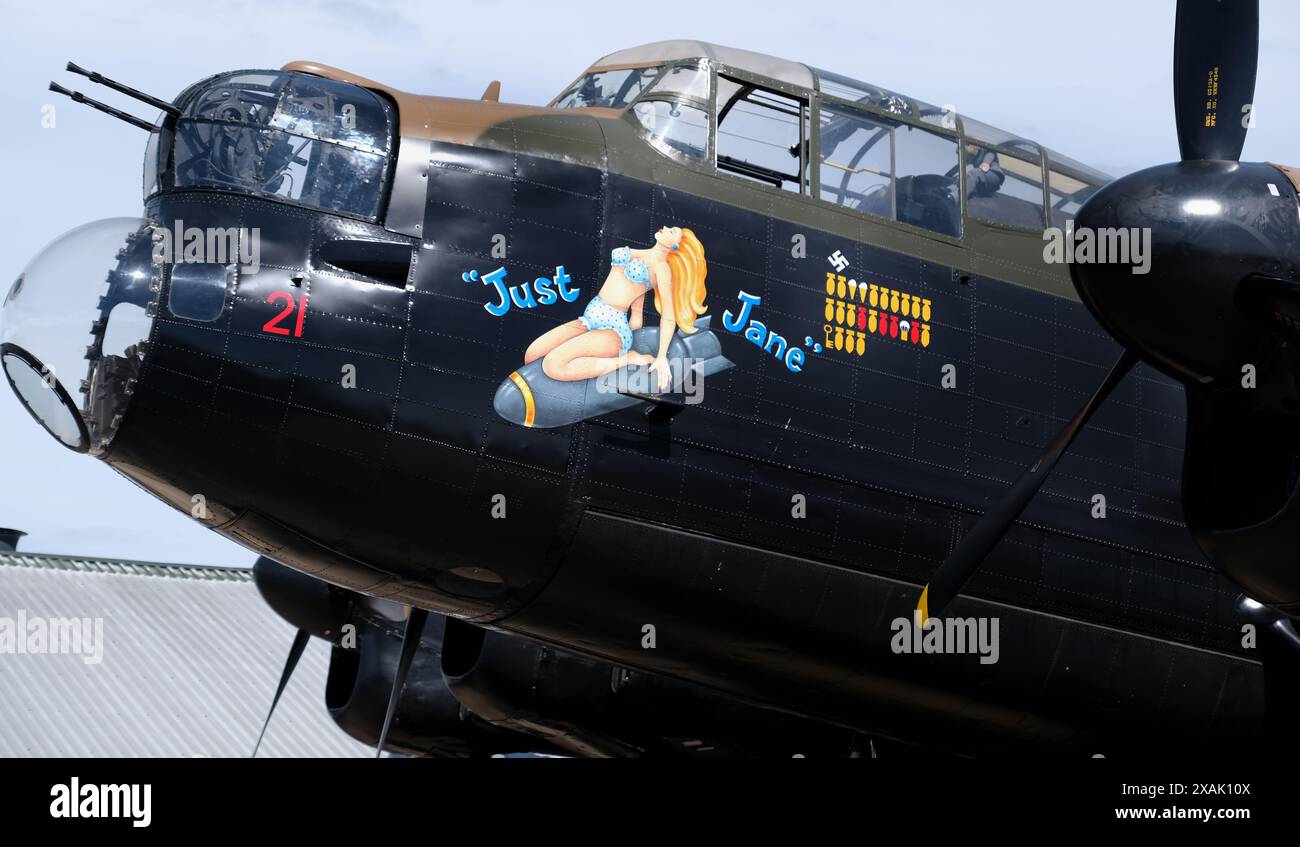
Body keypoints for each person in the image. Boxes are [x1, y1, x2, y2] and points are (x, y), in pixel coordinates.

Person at [523, 226, 708, 391]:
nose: (666, 227)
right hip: (590, 318)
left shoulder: (662, 268)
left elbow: (668, 315)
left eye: (673, 231)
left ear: (676, 246)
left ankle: (625, 360)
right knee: (532, 355)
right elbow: (637, 295)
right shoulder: (641, 253)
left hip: (612, 329)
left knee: (553, 365)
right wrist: (637, 316)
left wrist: (661, 357)